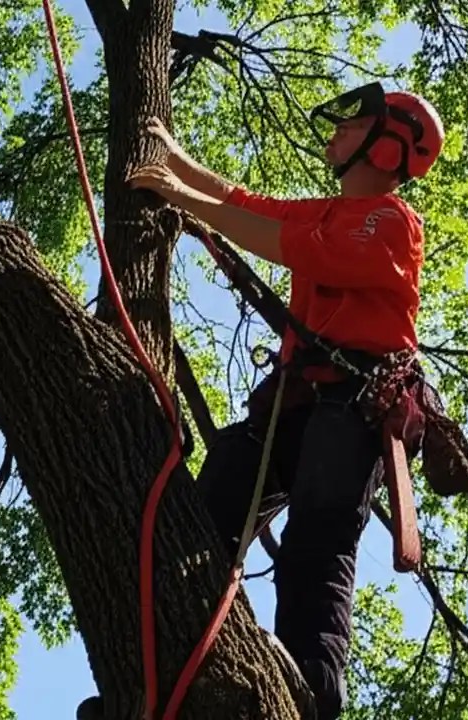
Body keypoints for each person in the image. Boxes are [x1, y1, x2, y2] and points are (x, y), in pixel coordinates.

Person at [126, 83, 445, 719]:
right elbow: (246, 205)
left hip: (350, 409)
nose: (335, 134)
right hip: (290, 407)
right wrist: (175, 158)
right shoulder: (323, 210)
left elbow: (293, 248)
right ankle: (153, 682)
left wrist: (179, 196)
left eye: (352, 127)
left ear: (388, 148)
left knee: (316, 548)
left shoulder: (392, 221)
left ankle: (310, 697)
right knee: (203, 514)